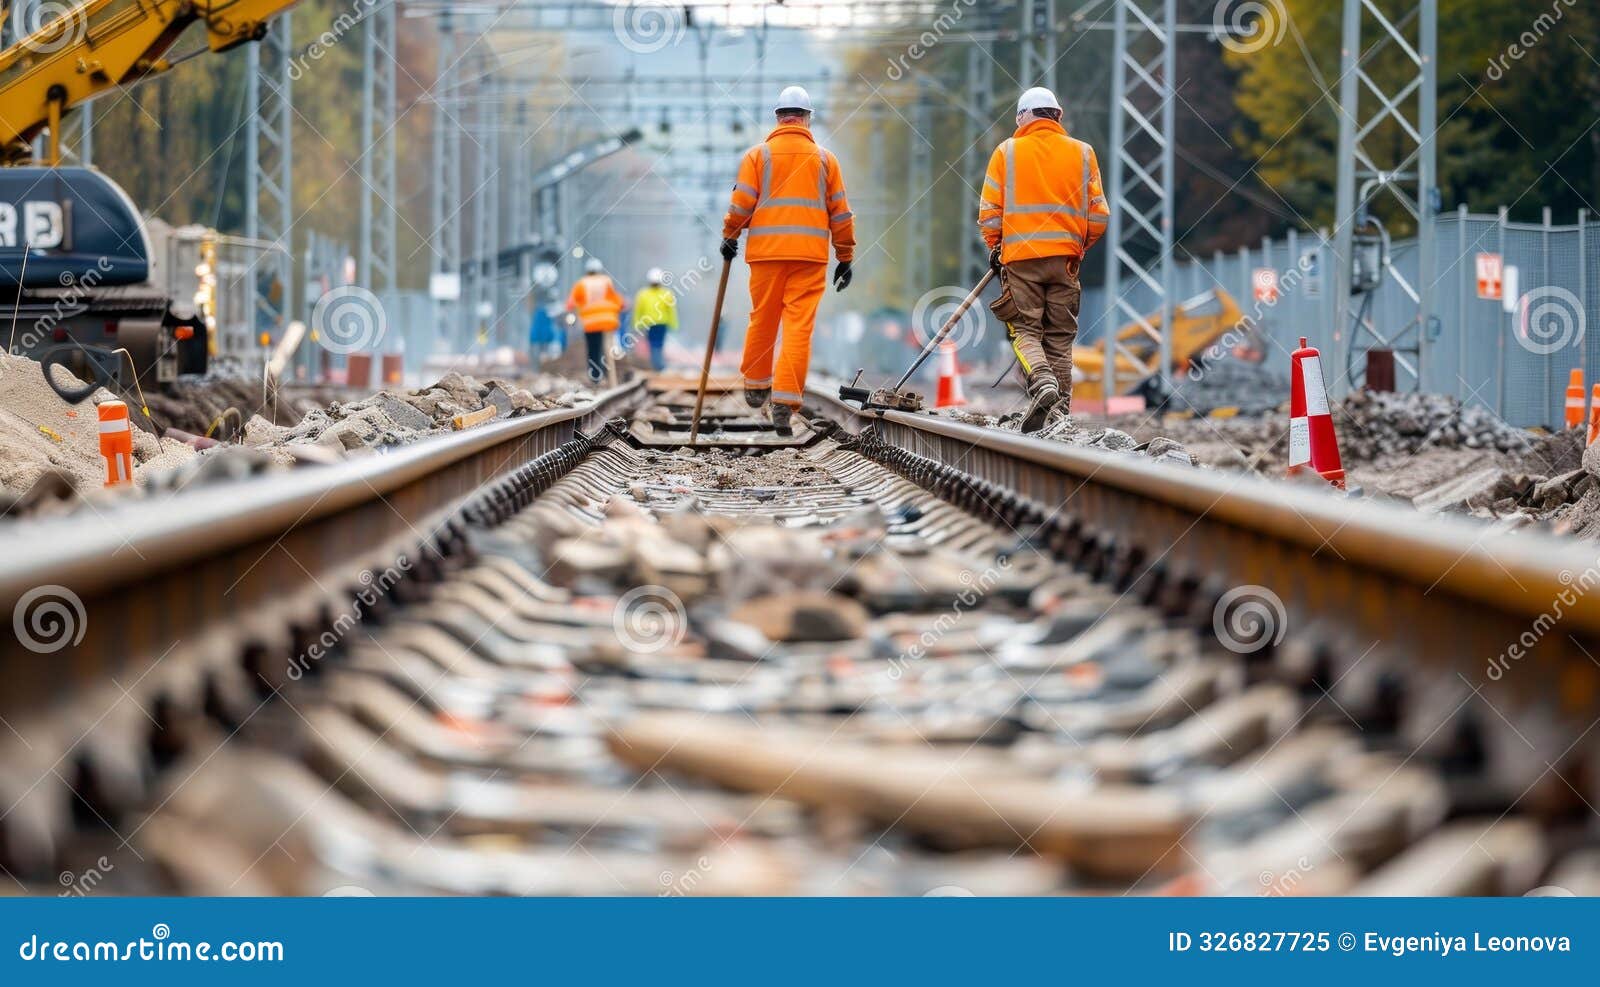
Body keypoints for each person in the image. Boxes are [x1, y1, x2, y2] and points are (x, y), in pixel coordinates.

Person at [721, 85, 855, 437]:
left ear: (778, 117)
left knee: (762, 318)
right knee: (798, 329)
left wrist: (730, 234)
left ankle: (755, 384)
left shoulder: (758, 157)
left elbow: (741, 205)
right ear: (807, 118)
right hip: (809, 259)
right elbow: (841, 214)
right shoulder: (826, 160)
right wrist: (845, 256)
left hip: (765, 256)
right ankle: (784, 401)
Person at [979, 86, 1109, 432]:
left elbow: (990, 214)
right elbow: (1099, 216)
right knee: (1061, 336)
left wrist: (997, 247)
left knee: (1024, 329)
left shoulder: (1006, 152)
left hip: (1021, 259)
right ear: (1058, 116)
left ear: (1023, 117)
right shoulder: (1083, 153)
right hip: (1066, 259)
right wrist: (1077, 247)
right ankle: (1059, 414)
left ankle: (1042, 382)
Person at [565, 257, 627, 385]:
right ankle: (608, 375)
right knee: (606, 348)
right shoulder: (606, 281)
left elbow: (570, 304)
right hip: (607, 321)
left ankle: (595, 377)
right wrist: (622, 306)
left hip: (590, 323)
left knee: (593, 349)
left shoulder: (581, 283)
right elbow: (617, 300)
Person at [632, 268, 679, 372]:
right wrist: (674, 323)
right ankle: (658, 365)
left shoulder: (643, 294)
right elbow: (671, 310)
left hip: (651, 323)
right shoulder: (666, 293)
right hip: (660, 323)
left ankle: (657, 364)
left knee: (654, 343)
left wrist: (637, 323)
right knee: (658, 343)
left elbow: (638, 310)